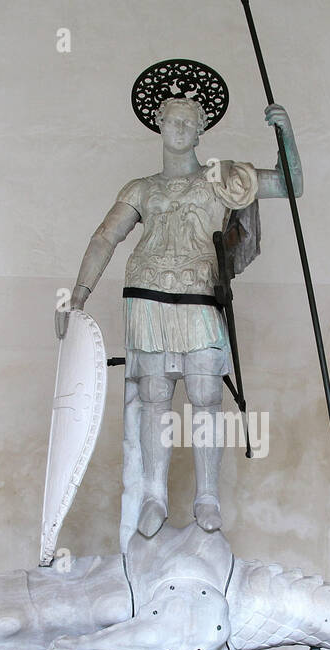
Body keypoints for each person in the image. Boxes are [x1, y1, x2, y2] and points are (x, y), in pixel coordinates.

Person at [57, 94, 302, 538]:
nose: (180, 129)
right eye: (173, 120)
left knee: (206, 393)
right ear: (159, 124)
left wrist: (285, 134)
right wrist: (78, 295)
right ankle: (154, 495)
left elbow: (289, 184)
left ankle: (207, 497)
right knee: (153, 395)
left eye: (189, 122)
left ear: (201, 130)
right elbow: (104, 238)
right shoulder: (140, 188)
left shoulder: (222, 179)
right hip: (146, 292)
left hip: (198, 293)